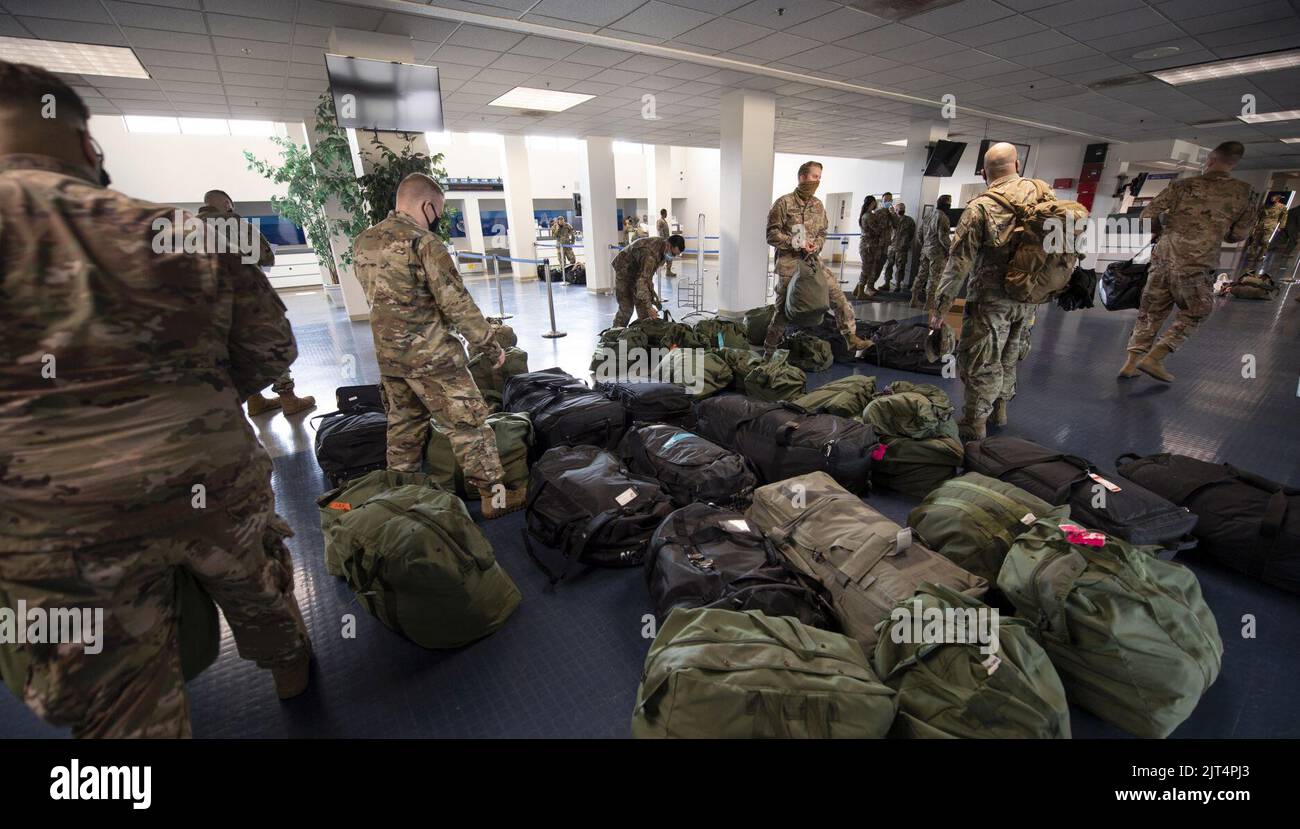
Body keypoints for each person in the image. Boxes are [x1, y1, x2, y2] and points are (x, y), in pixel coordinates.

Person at [0, 60, 312, 737]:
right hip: (211, 474)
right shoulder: (193, 234)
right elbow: (270, 350)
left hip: (51, 529)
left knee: (117, 700)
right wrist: (197, 398)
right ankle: (291, 670)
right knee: (258, 590)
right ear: (88, 145)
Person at [353, 173, 525, 518]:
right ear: (427, 205)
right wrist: (490, 345)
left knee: (403, 429)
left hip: (390, 359)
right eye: (439, 211)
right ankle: (495, 498)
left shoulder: (363, 242)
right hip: (432, 358)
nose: (437, 218)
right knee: (470, 425)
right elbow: (455, 302)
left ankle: (403, 500)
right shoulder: (424, 243)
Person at [928, 143, 1043, 440]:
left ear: (984, 173)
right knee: (1010, 354)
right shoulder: (1043, 196)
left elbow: (958, 264)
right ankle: (1000, 410)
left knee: (982, 359)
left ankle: (974, 422)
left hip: (991, 299)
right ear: (1017, 164)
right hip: (1029, 297)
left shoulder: (981, 207)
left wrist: (940, 308)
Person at [1118, 142, 1254, 382]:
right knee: (1198, 310)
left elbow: (1146, 217)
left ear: (1210, 159)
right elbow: (1238, 235)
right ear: (1235, 163)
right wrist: (1216, 229)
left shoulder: (1182, 186)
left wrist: (1167, 227)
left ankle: (1130, 364)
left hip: (1163, 258)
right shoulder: (1244, 193)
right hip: (1198, 263)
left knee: (1150, 311)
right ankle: (1156, 356)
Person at [197, 189, 316, 417]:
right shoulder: (233, 223)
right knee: (269, 342)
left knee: (233, 350)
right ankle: (288, 399)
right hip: (246, 302)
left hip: (209, 308)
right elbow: (266, 256)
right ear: (227, 204)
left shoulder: (185, 230)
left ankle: (255, 400)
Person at [764, 161, 872, 354]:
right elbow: (771, 235)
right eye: (814, 177)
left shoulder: (818, 205)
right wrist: (798, 243)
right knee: (783, 310)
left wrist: (817, 245)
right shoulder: (783, 203)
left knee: (838, 298)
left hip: (813, 262)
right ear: (802, 177)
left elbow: (822, 231)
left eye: (820, 178)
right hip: (790, 265)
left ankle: (851, 337)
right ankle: (770, 350)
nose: (817, 181)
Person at [611, 233, 685, 327]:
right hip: (624, 271)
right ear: (669, 245)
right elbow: (642, 282)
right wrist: (649, 307)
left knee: (644, 309)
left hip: (637, 271)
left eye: (675, 255)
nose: (673, 257)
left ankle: (642, 337)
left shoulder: (662, 249)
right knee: (627, 309)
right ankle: (616, 337)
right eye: (673, 254)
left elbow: (647, 278)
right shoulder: (651, 255)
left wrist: (653, 298)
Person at [852, 192, 895, 298]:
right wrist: (883, 226)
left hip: (870, 246)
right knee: (867, 269)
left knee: (868, 268)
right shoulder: (868, 216)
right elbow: (877, 230)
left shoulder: (868, 214)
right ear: (871, 203)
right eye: (874, 203)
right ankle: (861, 292)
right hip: (868, 246)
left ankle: (858, 290)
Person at [913, 195, 952, 309]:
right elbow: (943, 238)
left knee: (921, 275)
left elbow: (920, 234)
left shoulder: (928, 215)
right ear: (947, 205)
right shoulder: (943, 217)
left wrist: (925, 245)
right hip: (937, 253)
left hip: (925, 250)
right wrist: (950, 251)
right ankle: (929, 303)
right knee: (934, 278)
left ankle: (914, 299)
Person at [1244, 194, 1287, 270]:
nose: (1273, 199)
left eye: (1275, 198)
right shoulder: (1265, 206)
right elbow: (1259, 215)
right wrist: (1255, 224)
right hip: (1261, 225)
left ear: (1278, 199)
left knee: (1265, 241)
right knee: (1255, 241)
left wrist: (1281, 227)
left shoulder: (1282, 207)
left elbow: (1283, 218)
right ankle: (1252, 256)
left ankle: (1260, 256)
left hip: (1270, 226)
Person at [883, 201, 916, 292]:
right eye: (899, 209)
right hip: (892, 247)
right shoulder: (891, 219)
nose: (901, 210)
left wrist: (905, 242)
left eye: (902, 209)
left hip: (902, 248)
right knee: (889, 265)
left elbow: (911, 234)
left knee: (901, 267)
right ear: (895, 210)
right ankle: (886, 283)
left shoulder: (909, 221)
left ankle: (898, 285)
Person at [656, 208, 674, 277]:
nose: (667, 214)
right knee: (664, 257)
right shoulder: (660, 221)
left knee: (669, 257)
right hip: (664, 242)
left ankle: (668, 271)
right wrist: (664, 241)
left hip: (667, 241)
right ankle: (658, 270)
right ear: (664, 213)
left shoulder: (664, 221)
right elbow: (660, 232)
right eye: (666, 213)